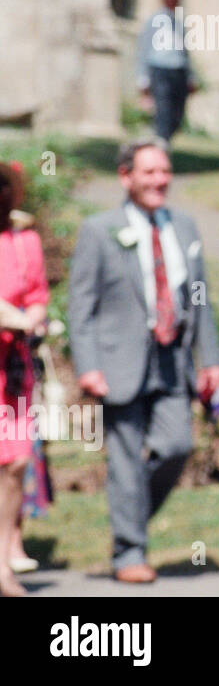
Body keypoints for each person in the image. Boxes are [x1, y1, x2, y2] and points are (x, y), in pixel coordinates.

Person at [66, 138, 219, 584]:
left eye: (164, 171)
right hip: (118, 362)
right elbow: (80, 305)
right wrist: (88, 365)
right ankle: (129, 552)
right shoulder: (99, 229)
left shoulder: (185, 226)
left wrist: (209, 360)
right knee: (124, 460)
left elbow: (201, 299)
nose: (160, 180)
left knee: (177, 445)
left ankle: (130, 517)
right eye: (150, 172)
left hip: (173, 358)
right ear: (126, 176)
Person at [0, 161, 49, 597]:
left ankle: (2, 565)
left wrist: (26, 319)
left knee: (14, 463)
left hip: (11, 368)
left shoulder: (24, 243)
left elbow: (36, 297)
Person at [136, 0, 196, 142]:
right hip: (160, 69)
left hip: (178, 70)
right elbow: (144, 49)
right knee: (163, 108)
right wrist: (143, 78)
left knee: (177, 112)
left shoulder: (180, 24)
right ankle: (162, 142)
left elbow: (185, 52)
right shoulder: (154, 21)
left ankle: (165, 138)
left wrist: (190, 77)